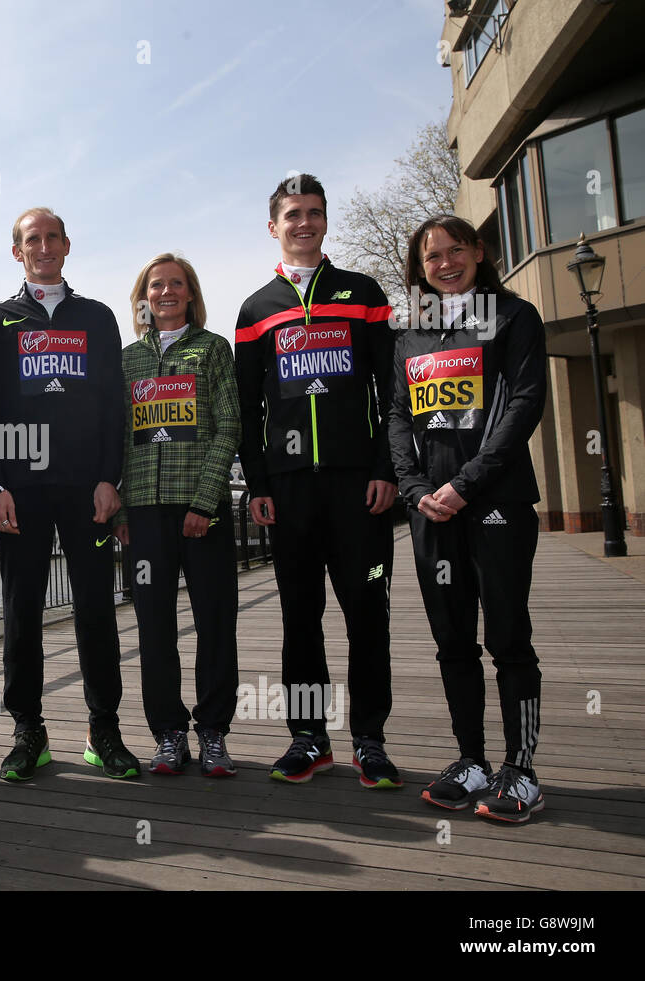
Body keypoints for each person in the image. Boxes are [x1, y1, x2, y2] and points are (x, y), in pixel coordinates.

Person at [234, 174, 402, 788]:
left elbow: (395, 393)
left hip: (359, 485)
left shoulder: (364, 293)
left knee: (366, 613)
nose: (303, 223)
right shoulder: (255, 311)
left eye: (314, 213)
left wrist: (387, 469)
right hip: (289, 487)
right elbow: (247, 408)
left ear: (325, 221)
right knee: (299, 617)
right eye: (291, 215)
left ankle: (370, 739)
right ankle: (309, 738)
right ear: (273, 227)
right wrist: (258, 485)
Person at [0, 206, 140, 781]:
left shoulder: (97, 317)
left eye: (51, 237)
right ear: (17, 252)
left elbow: (114, 405)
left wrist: (108, 478)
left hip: (85, 490)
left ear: (67, 244)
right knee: (22, 613)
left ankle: (104, 730)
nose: (43, 247)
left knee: (96, 610)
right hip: (21, 493)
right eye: (30, 240)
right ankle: (29, 731)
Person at [390, 215, 547, 822]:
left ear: (480, 252)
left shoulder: (514, 318)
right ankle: (471, 759)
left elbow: (524, 405)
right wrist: (414, 487)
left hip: (497, 503)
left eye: (457, 250)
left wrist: (466, 484)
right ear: (419, 266)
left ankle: (522, 769)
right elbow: (399, 418)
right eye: (433, 257)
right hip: (432, 511)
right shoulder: (412, 333)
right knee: (452, 642)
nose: (446, 263)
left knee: (507, 637)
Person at [114, 254, 242, 775]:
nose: (165, 292)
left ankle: (213, 732)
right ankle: (168, 733)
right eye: (155, 285)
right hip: (143, 515)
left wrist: (204, 501)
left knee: (215, 622)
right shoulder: (125, 361)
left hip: (201, 512)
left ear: (191, 294)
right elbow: (117, 439)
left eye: (176, 284)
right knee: (153, 629)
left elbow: (228, 426)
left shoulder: (213, 350)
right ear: (143, 297)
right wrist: (120, 507)